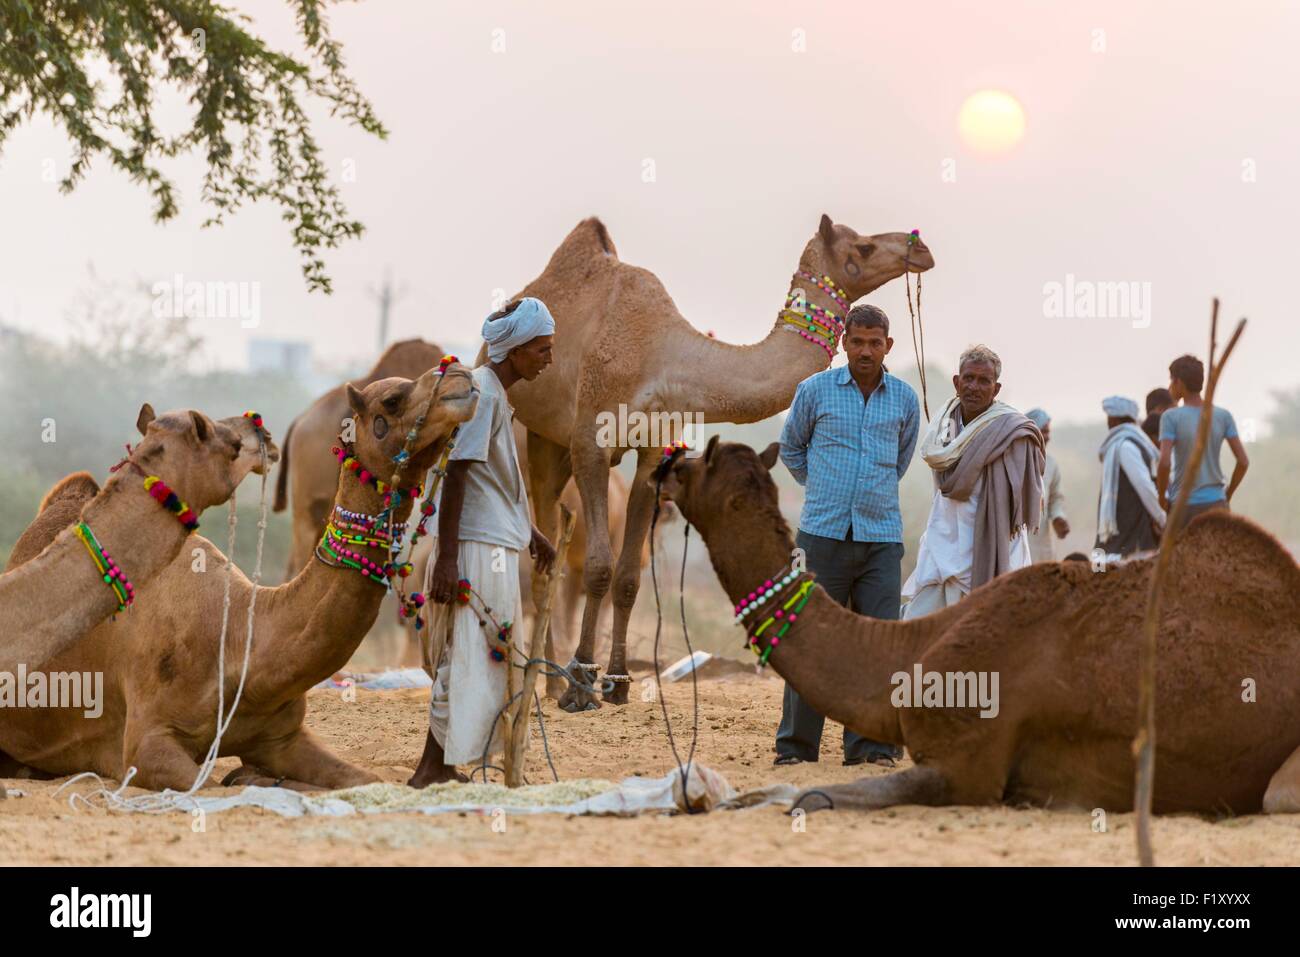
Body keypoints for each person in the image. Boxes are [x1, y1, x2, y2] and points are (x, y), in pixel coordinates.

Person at [409, 298, 558, 787]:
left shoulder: (493, 392)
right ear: (514, 350)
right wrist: (447, 560)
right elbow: (457, 474)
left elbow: (492, 482)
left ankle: (443, 766)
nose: (547, 359)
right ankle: (432, 768)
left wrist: (530, 533)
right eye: (541, 349)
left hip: (490, 543)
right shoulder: (484, 394)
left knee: (483, 656)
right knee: (472, 656)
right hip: (474, 551)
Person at [775, 304, 919, 768]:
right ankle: (797, 748)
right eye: (857, 341)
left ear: (888, 346)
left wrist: (866, 494)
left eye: (875, 342)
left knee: (880, 644)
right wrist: (822, 489)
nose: (865, 350)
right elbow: (791, 449)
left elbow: (901, 459)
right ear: (843, 342)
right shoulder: (813, 391)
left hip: (881, 536)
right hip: (821, 534)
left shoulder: (903, 398)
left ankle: (871, 747)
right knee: (808, 640)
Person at [902, 344, 1044, 617]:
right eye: (968, 378)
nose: (974, 387)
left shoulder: (1012, 432)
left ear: (996, 388)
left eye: (984, 381)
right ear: (957, 382)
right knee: (919, 629)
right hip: (943, 541)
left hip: (993, 545)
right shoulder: (944, 425)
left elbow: (1023, 501)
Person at [1157, 354, 1249, 532]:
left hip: (1183, 508)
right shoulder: (1223, 416)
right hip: (1217, 504)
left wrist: (1162, 498)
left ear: (1179, 383)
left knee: (1181, 559)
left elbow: (1165, 462)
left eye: (1171, 381)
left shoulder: (1170, 417)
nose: (1169, 387)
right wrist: (1227, 494)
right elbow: (1243, 462)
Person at [1095, 395, 1164, 558]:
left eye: (1109, 418)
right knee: (1100, 571)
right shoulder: (1122, 444)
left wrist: (1162, 519)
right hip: (1116, 533)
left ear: (1115, 420)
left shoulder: (1126, 446)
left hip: (1132, 535)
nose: (1108, 423)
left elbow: (1144, 486)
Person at [1024, 408, 1069, 562]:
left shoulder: (1051, 464)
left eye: (1048, 432)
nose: (1046, 437)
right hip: (1018, 539)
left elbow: (1055, 498)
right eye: (1043, 431)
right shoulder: (1012, 460)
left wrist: (1058, 517)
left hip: (1042, 542)